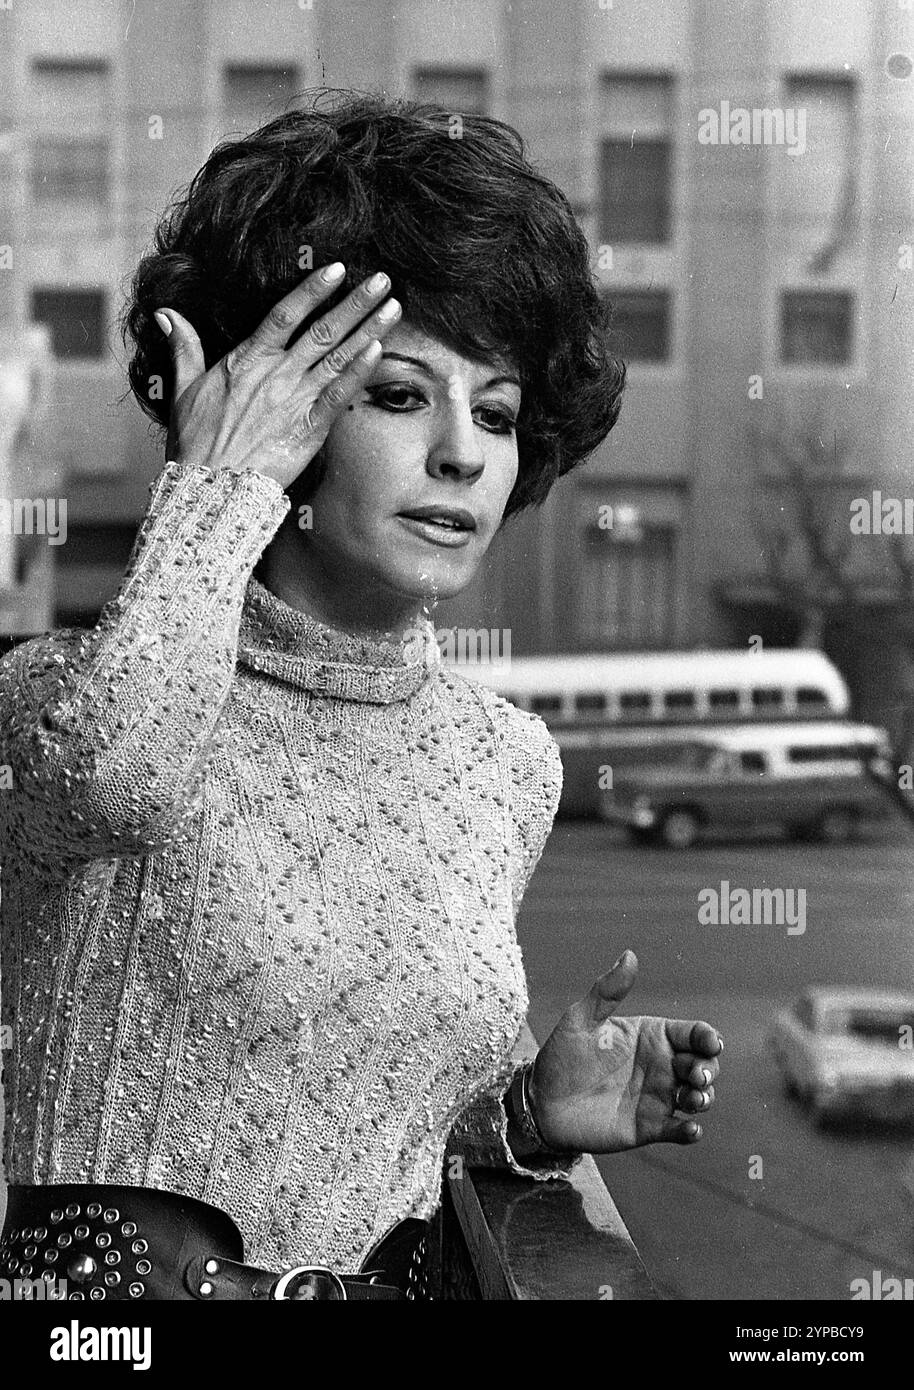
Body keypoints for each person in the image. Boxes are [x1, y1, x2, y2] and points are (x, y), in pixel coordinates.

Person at [0, 91, 721, 1301]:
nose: (461, 452)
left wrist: (523, 1121)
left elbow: (368, 1143)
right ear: (271, 407)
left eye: (494, 411)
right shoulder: (55, 701)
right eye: (397, 394)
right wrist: (217, 482)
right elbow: (116, 780)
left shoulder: (506, 764)